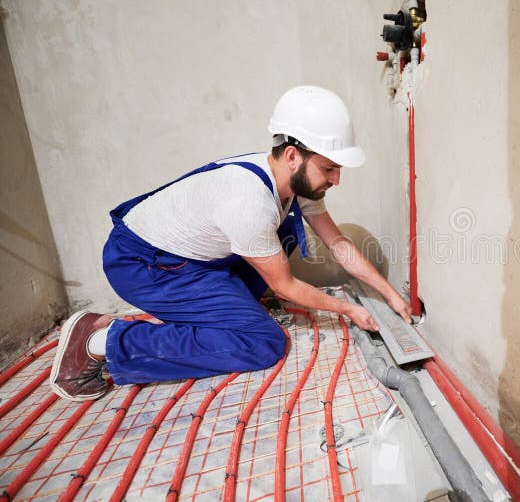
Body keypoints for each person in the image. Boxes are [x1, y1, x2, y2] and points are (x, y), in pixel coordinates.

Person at [49, 85, 412, 401]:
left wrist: (390, 295)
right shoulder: (249, 201)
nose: (336, 180)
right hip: (144, 265)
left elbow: (338, 244)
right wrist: (349, 310)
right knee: (262, 343)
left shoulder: (293, 183)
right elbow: (284, 284)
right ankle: (97, 342)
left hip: (187, 260)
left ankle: (231, 312)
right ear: (292, 156)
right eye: (329, 169)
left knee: (285, 230)